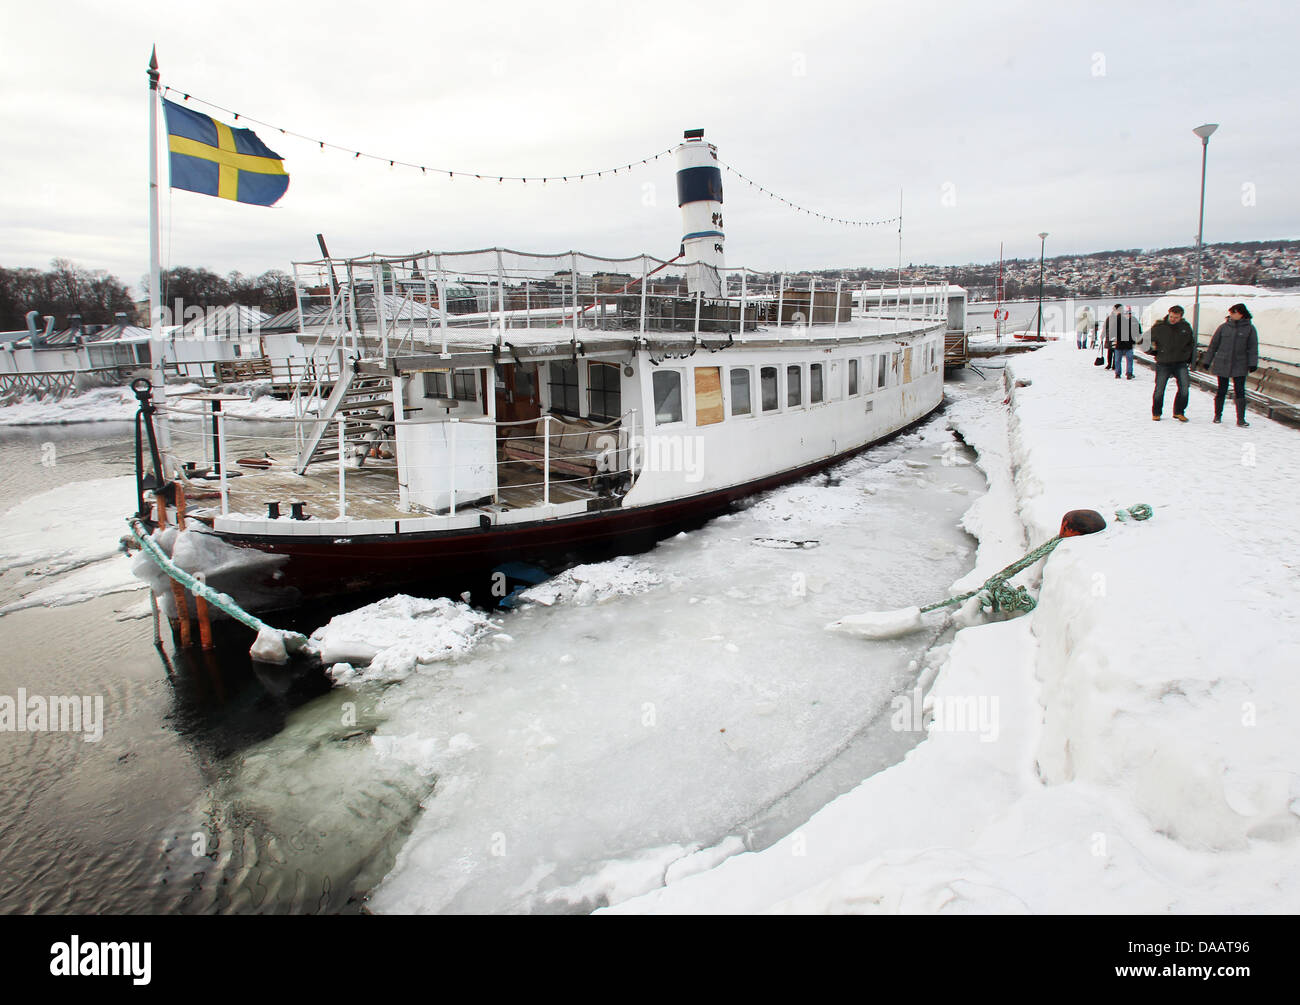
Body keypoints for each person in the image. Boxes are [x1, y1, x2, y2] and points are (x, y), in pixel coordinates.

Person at [1203, 302, 1260, 426]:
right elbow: (1213, 345)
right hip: (1222, 362)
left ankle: (1241, 419)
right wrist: (1207, 361)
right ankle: (1217, 415)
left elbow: (1253, 347)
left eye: (1234, 313)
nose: (1231, 315)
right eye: (1230, 313)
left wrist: (1252, 363)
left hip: (1240, 364)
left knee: (1240, 391)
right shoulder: (1223, 327)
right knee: (1221, 390)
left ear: (1241, 313)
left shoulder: (1250, 328)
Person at [1149, 305, 1196, 421]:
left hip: (1180, 362)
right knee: (1160, 389)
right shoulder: (1159, 327)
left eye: (1176, 317)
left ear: (1181, 317)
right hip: (1163, 362)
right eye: (1171, 316)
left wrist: (1188, 356)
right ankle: (1156, 412)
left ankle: (1179, 411)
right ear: (1168, 314)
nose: (1173, 319)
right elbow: (1143, 340)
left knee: (1184, 388)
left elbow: (1191, 343)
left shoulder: (1185, 327)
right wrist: (1153, 351)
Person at [1102, 303, 1139, 379]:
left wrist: (1112, 337)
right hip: (1127, 343)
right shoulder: (1133, 320)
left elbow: (1112, 331)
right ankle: (1128, 373)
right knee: (1127, 359)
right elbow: (1138, 331)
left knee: (1118, 359)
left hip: (1120, 343)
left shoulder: (1118, 319)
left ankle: (1118, 373)